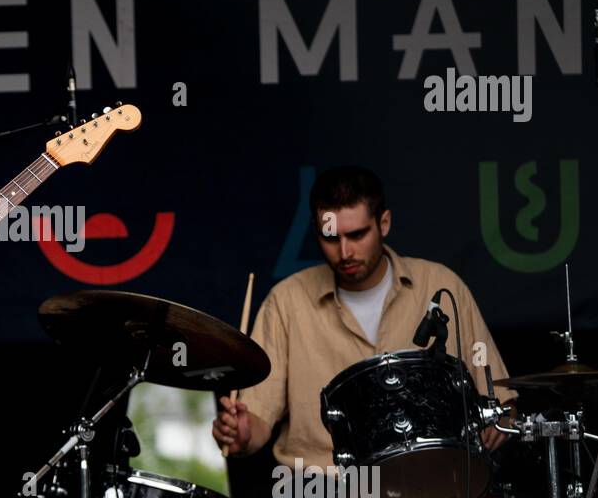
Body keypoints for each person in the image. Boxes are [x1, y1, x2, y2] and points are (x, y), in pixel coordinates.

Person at [212, 165, 515, 477]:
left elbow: (502, 403)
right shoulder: (286, 301)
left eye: (357, 235)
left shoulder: (441, 286)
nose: (345, 252)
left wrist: (501, 421)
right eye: (331, 238)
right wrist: (242, 433)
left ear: (383, 223)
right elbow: (258, 420)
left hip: (428, 487)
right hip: (323, 494)